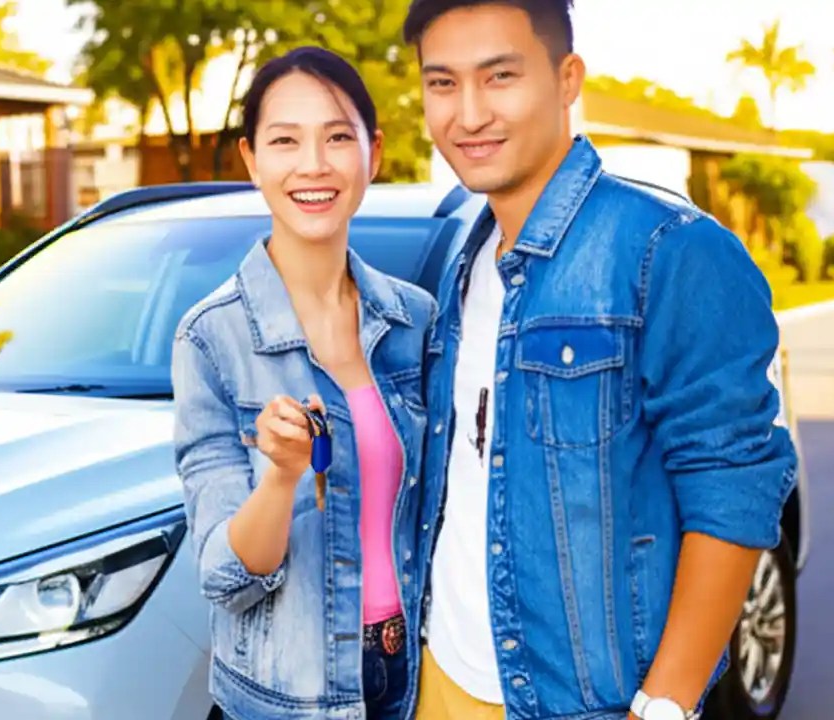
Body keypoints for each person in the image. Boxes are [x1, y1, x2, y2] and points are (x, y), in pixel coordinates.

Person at [399, 2, 799, 719]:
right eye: (442, 84)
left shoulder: (667, 250)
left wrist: (668, 702)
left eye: (499, 77)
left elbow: (734, 484)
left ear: (567, 78)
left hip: (584, 703)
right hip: (442, 681)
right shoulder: (466, 262)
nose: (468, 113)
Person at [171, 46, 438, 720]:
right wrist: (281, 477)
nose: (314, 164)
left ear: (372, 154)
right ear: (252, 160)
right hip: (287, 701)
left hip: (411, 681)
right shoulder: (210, 339)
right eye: (285, 140)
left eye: (337, 137)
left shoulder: (417, 322)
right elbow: (227, 579)